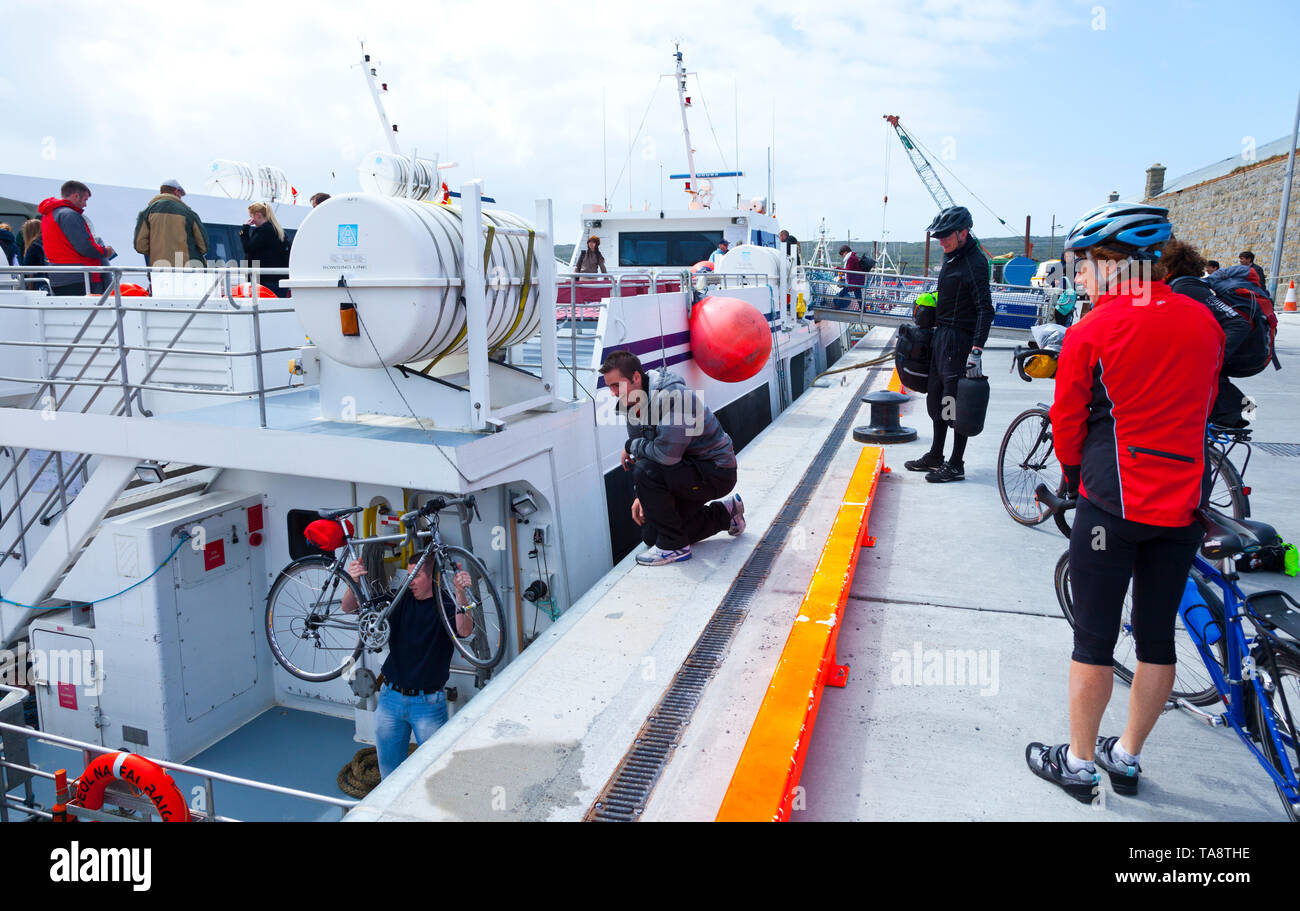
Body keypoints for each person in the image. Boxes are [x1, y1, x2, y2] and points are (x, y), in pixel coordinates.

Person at [1025, 201, 1224, 804]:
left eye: (1084, 264)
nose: (1079, 275)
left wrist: (1070, 477)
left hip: (1112, 503)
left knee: (1093, 639)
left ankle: (1081, 765)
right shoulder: (1206, 322)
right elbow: (1206, 406)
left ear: (1116, 265)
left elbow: (1066, 423)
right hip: (1183, 504)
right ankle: (1128, 756)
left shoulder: (1093, 330)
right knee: (1158, 639)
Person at [600, 349, 743, 566]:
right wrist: (643, 496)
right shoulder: (631, 403)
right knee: (651, 536)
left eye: (615, 385)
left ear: (636, 377)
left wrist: (629, 446)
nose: (612, 393)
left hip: (715, 470)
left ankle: (674, 547)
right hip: (684, 470)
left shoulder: (674, 395)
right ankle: (726, 513)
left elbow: (665, 456)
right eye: (609, 386)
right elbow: (643, 453)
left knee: (644, 471)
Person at [341, 557, 474, 779]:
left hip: (428, 704)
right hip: (390, 698)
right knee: (389, 774)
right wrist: (351, 581)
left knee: (435, 774)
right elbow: (348, 607)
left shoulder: (446, 604)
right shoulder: (398, 599)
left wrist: (461, 593)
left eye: (417, 575)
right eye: (409, 574)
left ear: (432, 578)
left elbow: (465, 630)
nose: (410, 581)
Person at [903, 206, 993, 482]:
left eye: (946, 236)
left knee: (955, 402)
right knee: (937, 397)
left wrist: (976, 350)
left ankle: (955, 463)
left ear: (963, 232)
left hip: (960, 340)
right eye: (938, 236)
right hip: (942, 335)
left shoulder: (975, 263)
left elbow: (984, 309)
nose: (941, 241)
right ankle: (935, 455)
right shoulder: (952, 257)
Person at [1160, 239, 1253, 427]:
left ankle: (1243, 411)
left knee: (1201, 373)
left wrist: (1215, 358)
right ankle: (1240, 411)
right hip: (1210, 344)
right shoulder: (1182, 285)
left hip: (1225, 344)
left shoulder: (1187, 287)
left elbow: (1237, 322)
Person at [38, 179, 115, 295]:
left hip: (59, 276)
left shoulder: (49, 215)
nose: (85, 204)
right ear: (75, 196)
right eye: (85, 200)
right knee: (90, 311)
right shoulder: (69, 215)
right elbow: (85, 247)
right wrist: (105, 251)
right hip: (79, 278)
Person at [133, 179, 209, 268]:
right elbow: (203, 246)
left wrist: (157, 252)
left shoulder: (146, 213)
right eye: (181, 195)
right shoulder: (189, 213)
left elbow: (140, 246)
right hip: (187, 268)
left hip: (159, 269)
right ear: (176, 192)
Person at [240, 202, 290, 297]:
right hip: (279, 278)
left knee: (264, 309)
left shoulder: (263, 231)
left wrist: (244, 230)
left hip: (266, 280)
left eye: (252, 216)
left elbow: (248, 248)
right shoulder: (278, 230)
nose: (252, 220)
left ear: (258, 215)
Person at [19, 219, 47, 290]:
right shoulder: (48, 241)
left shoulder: (34, 246)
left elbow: (27, 265)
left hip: (39, 282)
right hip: (49, 279)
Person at [836, 244, 865, 309]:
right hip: (856, 280)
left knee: (842, 293)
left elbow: (848, 270)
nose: (842, 256)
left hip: (853, 281)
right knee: (858, 296)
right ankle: (863, 309)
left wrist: (837, 268)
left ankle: (837, 306)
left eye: (842, 254)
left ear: (846, 252)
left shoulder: (851, 258)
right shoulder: (853, 257)